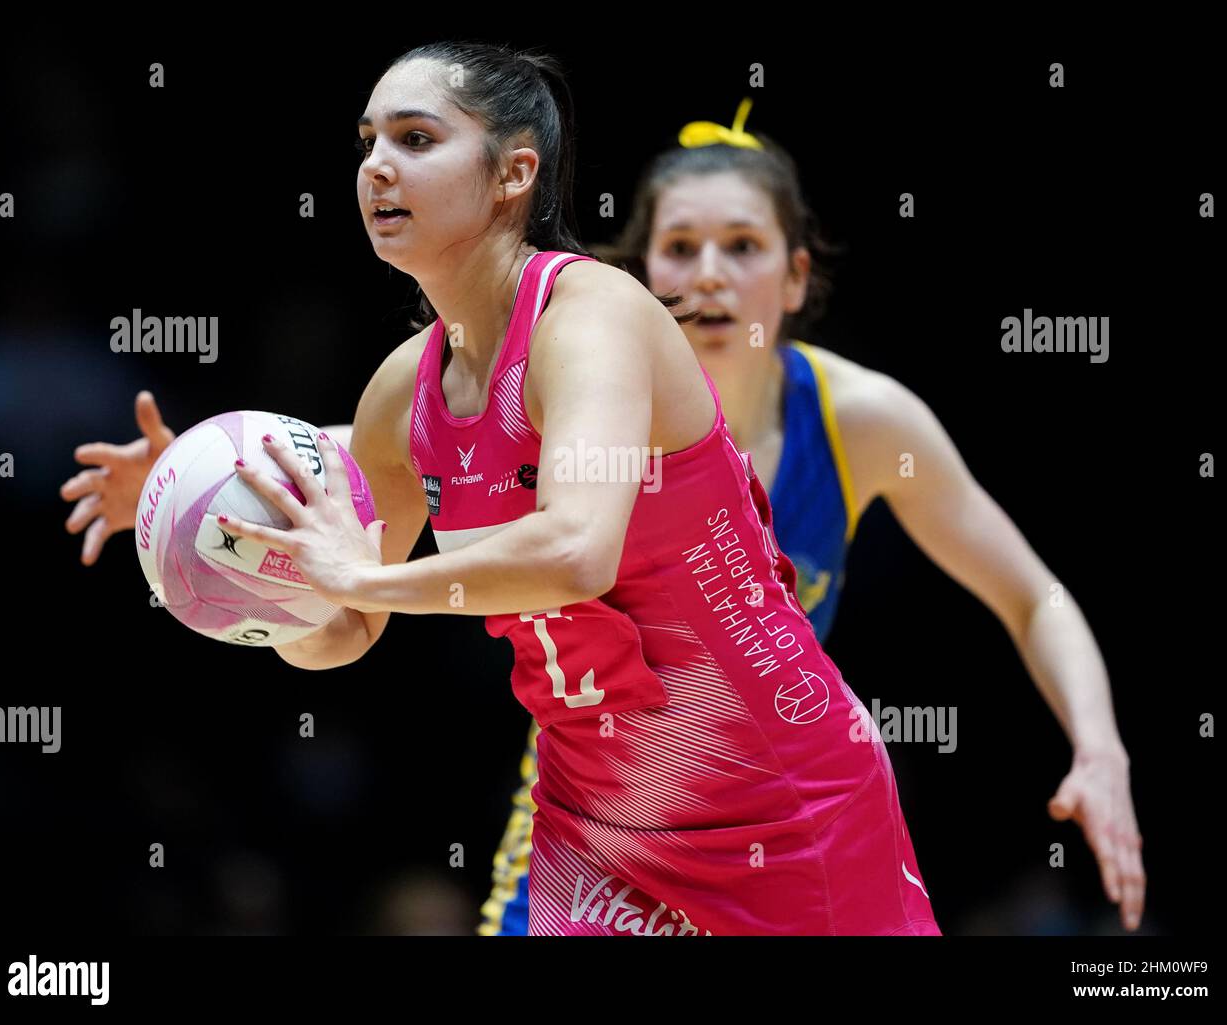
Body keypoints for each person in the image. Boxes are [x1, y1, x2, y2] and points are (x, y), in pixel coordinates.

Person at [62, 44, 939, 935]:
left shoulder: (592, 315)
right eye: (367, 141)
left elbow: (574, 550)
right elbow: (345, 630)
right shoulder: (402, 390)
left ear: (515, 171)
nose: (376, 166)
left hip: (779, 800)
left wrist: (360, 578)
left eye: (415, 137)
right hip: (595, 818)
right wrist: (239, 550)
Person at [476, 100, 1145, 936]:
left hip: (776, 827)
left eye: (744, 246)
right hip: (600, 827)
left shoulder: (861, 422)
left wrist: (1100, 748)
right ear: (641, 276)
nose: (710, 273)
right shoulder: (581, 406)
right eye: (681, 248)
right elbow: (403, 444)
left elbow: (1030, 595)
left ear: (795, 276)